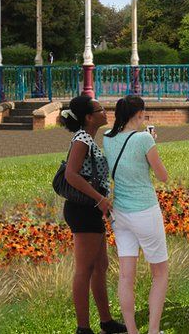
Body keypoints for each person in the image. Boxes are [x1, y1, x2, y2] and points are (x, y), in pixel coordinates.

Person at [60, 96, 127, 334]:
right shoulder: (82, 139)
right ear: (89, 117)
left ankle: (106, 321)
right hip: (84, 210)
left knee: (100, 266)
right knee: (84, 269)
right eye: (100, 109)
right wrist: (99, 199)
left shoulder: (89, 139)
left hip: (91, 209)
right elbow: (71, 175)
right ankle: (83, 328)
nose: (105, 111)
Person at [103, 96, 169, 334]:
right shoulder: (143, 139)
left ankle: (132, 331)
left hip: (120, 214)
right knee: (160, 272)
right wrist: (152, 143)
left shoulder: (107, 138)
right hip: (145, 212)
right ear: (139, 114)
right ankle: (153, 330)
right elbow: (163, 176)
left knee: (126, 276)